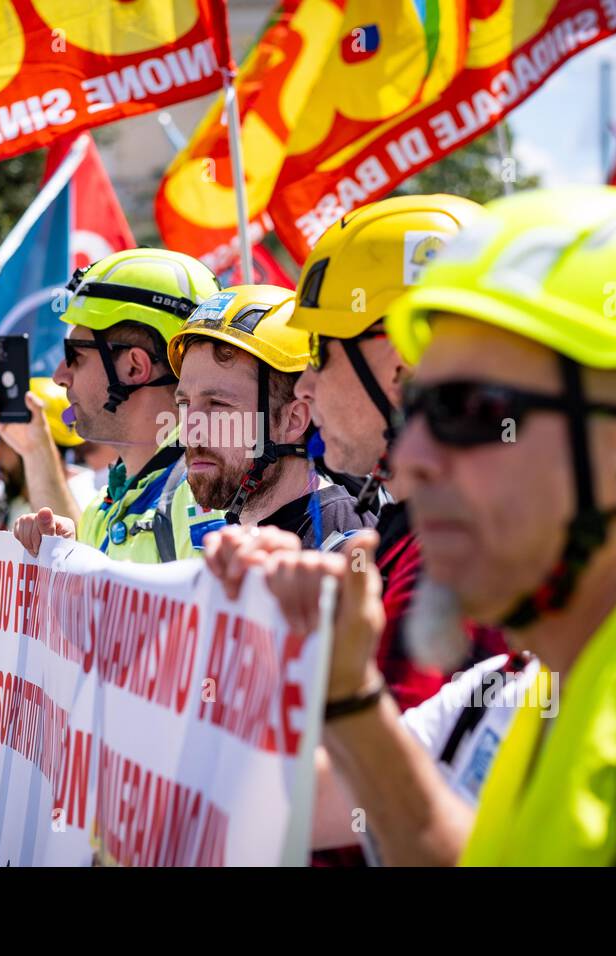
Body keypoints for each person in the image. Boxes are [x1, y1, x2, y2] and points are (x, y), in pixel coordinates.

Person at [221, 186, 616, 865]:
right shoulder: (552, 670)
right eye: (419, 406)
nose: (411, 456)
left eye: (470, 411)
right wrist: (347, 695)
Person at [211, 195, 498, 714]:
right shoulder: (424, 534)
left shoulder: (455, 562)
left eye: (320, 351)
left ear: (405, 366)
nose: (304, 385)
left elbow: (370, 787)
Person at [0, 248, 225, 563]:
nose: (59, 376)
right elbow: (79, 577)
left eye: (75, 356)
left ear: (134, 367)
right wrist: (34, 448)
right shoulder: (107, 506)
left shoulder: (203, 494)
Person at [167, 283, 374, 548]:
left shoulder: (348, 550)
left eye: (218, 405)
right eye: (184, 404)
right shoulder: (232, 546)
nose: (188, 432)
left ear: (294, 419)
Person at [0, 378, 100, 529]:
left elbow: (72, 544)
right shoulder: (5, 500)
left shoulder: (89, 500)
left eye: (5, 441)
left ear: (41, 435)